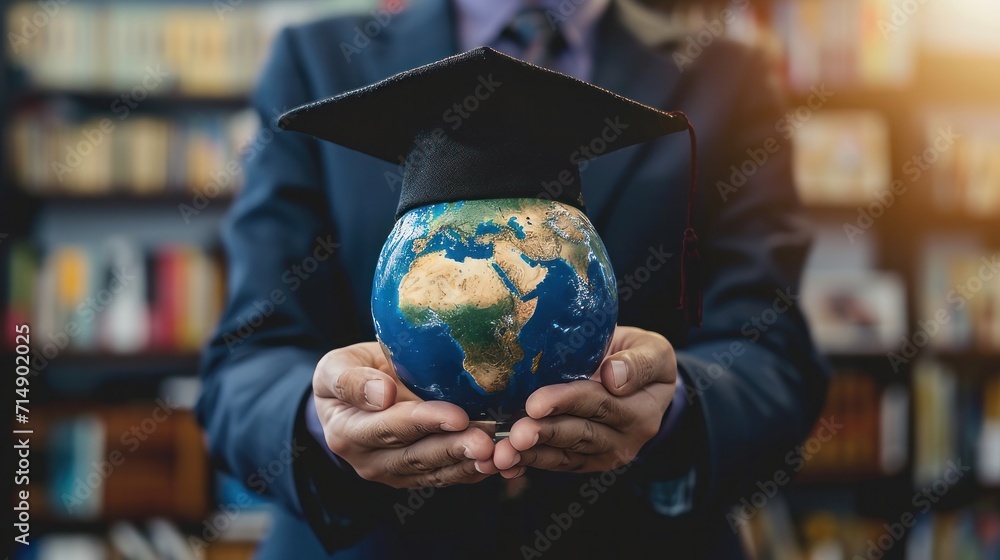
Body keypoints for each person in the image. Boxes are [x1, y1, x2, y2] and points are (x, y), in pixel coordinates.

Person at [195, 0, 829, 558]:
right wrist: (327, 420)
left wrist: (674, 406)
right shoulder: (316, 61)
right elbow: (243, 365)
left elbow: (777, 361)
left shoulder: (725, 77)